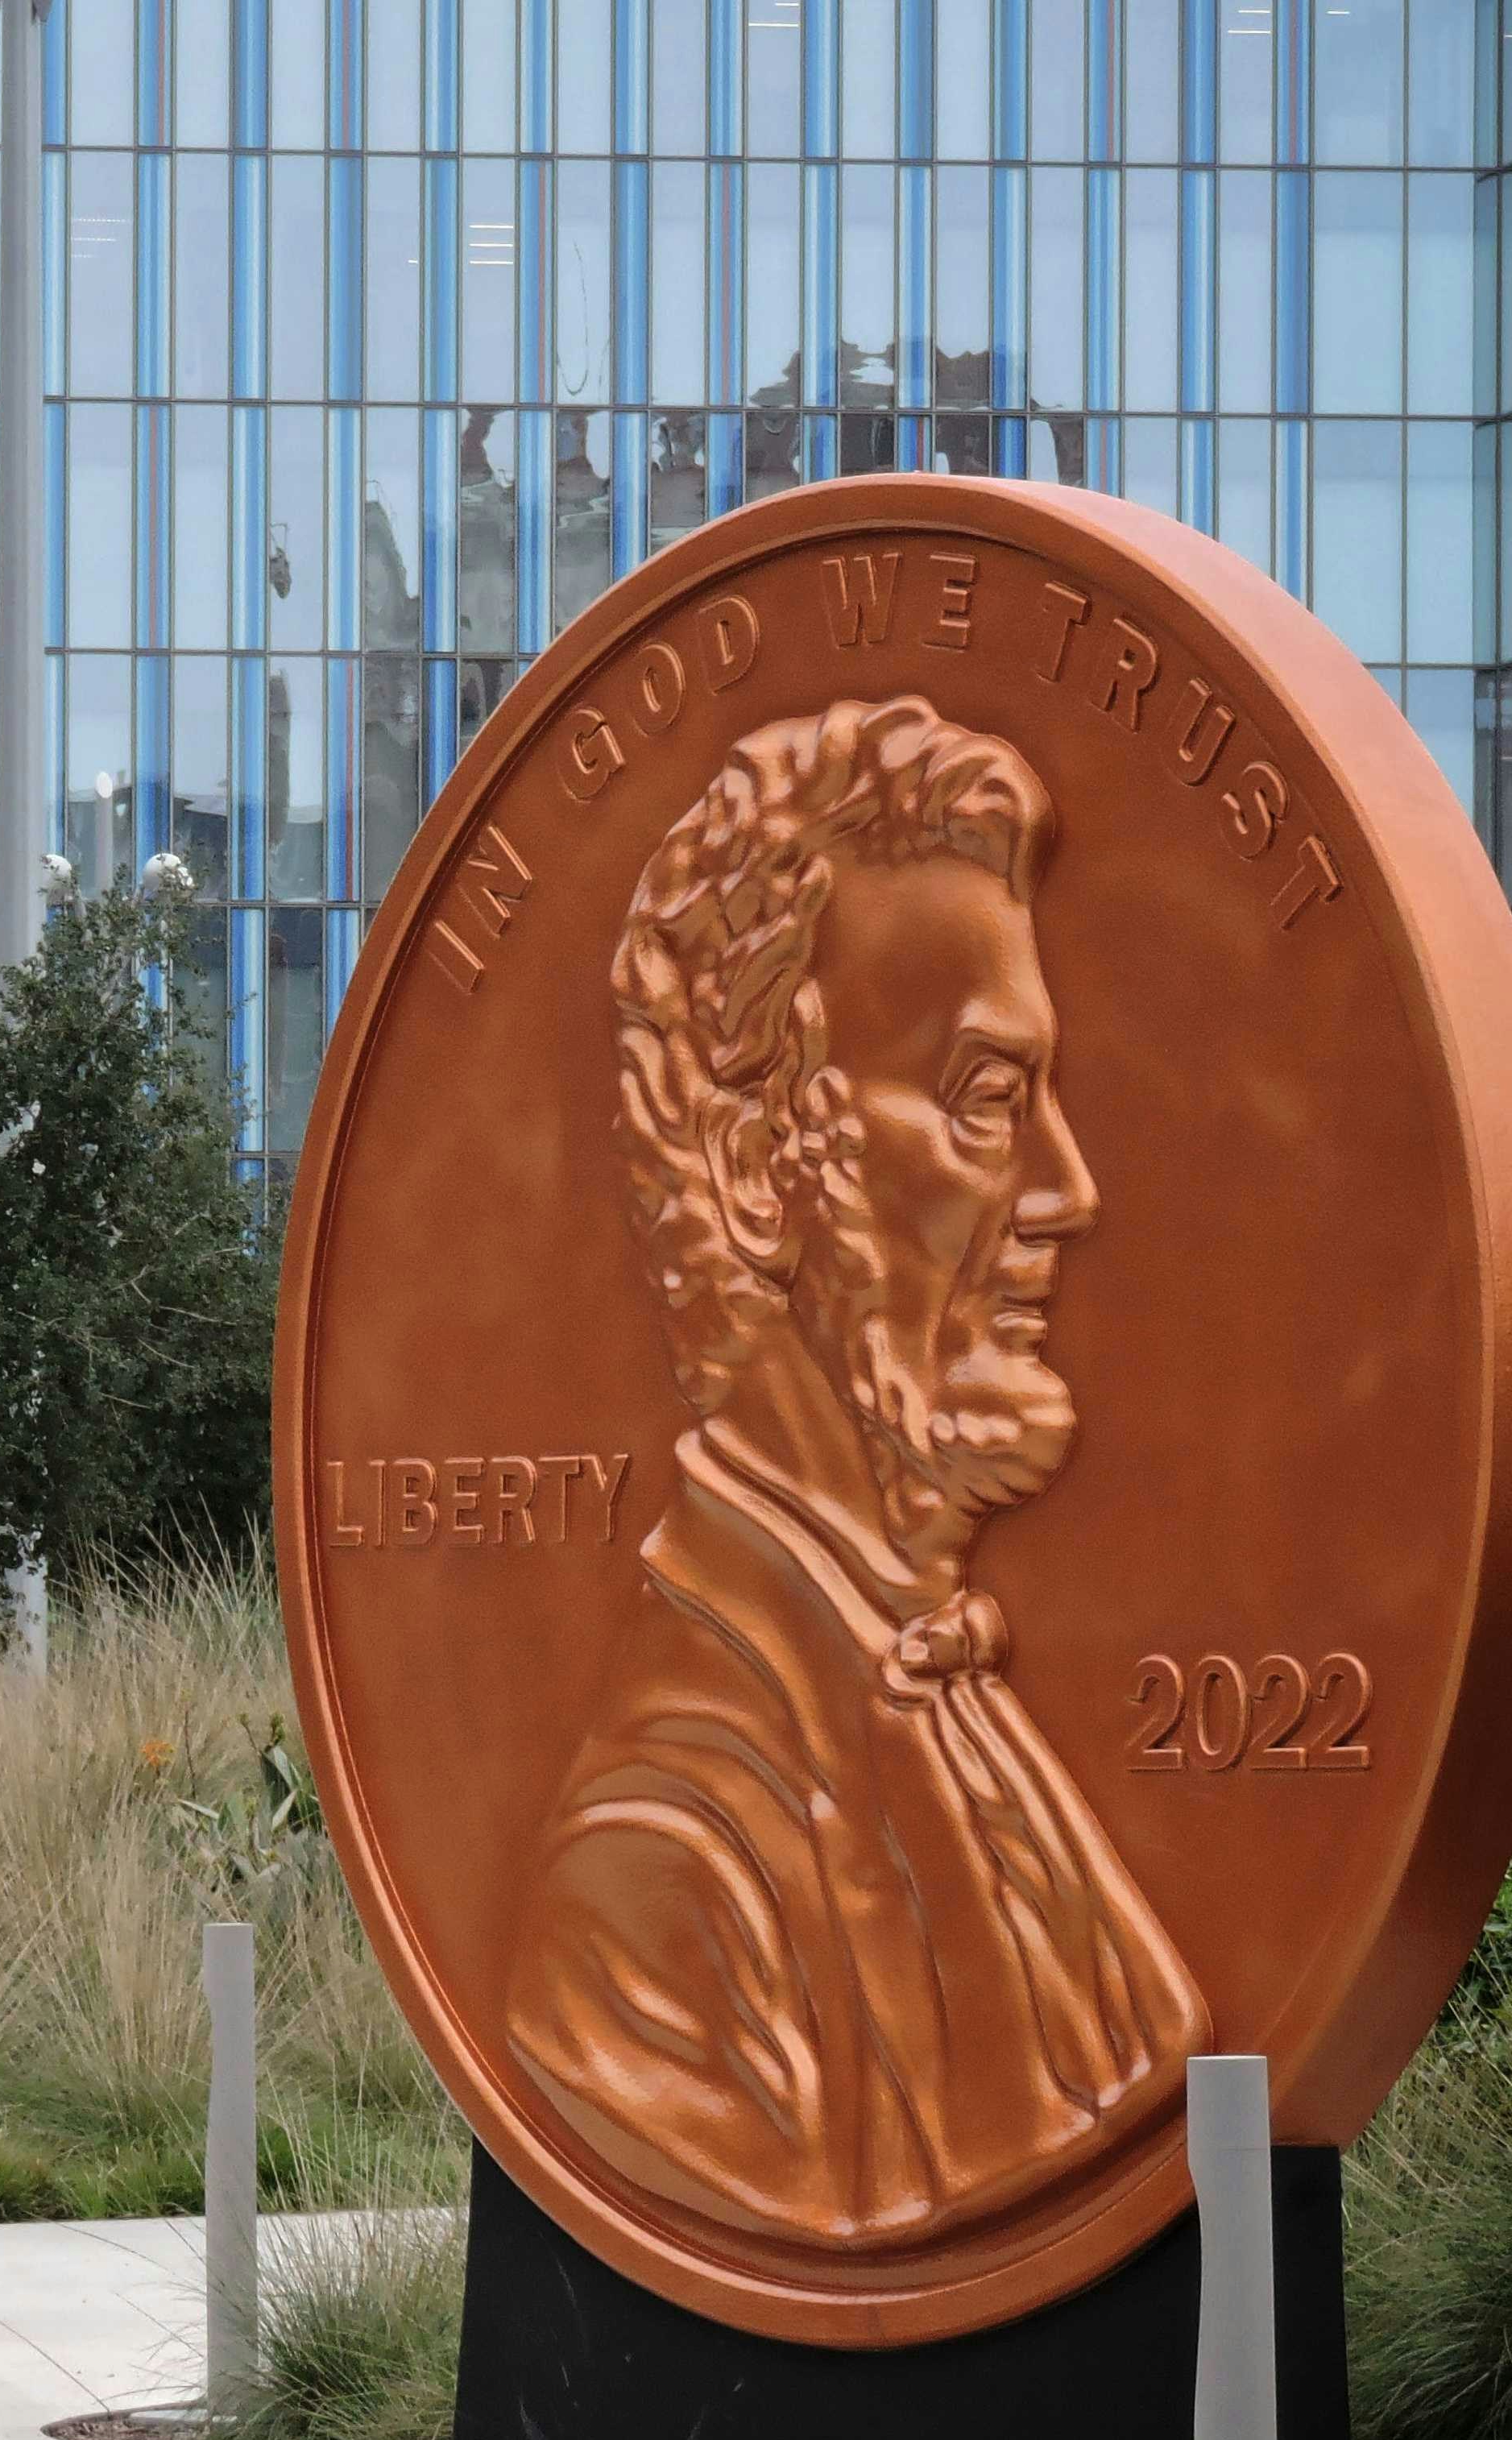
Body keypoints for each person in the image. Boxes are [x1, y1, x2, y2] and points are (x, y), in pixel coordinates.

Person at [503, 695, 1207, 2254]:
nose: (1069, 1190)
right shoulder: (657, 1891)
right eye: (986, 1101)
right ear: (760, 1172)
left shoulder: (948, 1696)